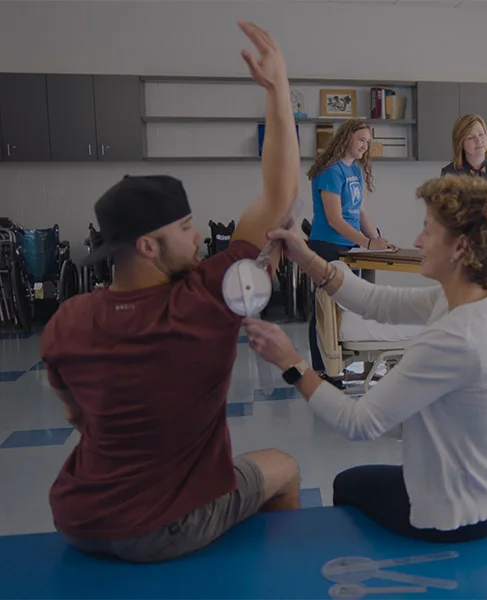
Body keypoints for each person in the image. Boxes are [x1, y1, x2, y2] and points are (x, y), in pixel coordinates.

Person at [38, 22, 302, 563]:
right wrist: (278, 90)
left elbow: (75, 414)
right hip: (166, 527)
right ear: (147, 246)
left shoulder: (67, 318)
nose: (197, 233)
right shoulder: (203, 301)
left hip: (78, 519)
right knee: (283, 467)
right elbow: (280, 191)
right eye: (184, 227)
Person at [244, 174, 487, 543]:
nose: (417, 241)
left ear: (460, 247)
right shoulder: (480, 294)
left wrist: (290, 362)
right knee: (364, 481)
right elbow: (379, 302)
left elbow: (359, 422)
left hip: (466, 510)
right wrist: (305, 256)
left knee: (347, 485)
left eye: (428, 231)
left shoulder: (458, 337)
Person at [306, 118, 392, 380]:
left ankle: (341, 365)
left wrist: (377, 239)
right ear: (346, 139)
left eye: (368, 141)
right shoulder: (330, 172)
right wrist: (367, 243)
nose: (365, 146)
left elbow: (359, 213)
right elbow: (334, 219)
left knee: (346, 308)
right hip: (327, 246)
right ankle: (322, 369)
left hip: (349, 247)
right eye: (361, 140)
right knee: (326, 310)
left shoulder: (353, 170)